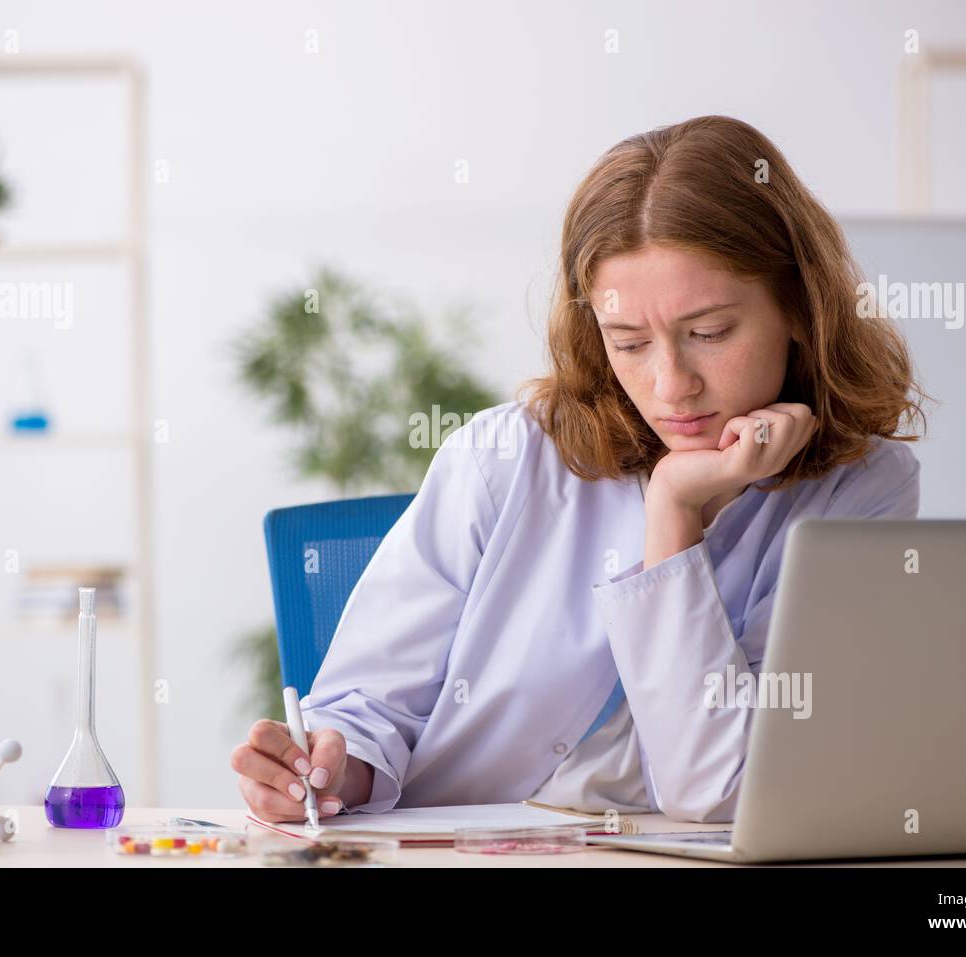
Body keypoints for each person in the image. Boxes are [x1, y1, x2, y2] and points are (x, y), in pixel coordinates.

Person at [230, 115, 928, 824]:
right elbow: (364, 708)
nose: (671, 383)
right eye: (628, 341)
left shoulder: (861, 487)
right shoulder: (503, 459)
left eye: (710, 333)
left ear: (800, 310)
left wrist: (673, 515)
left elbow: (726, 788)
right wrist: (328, 767)